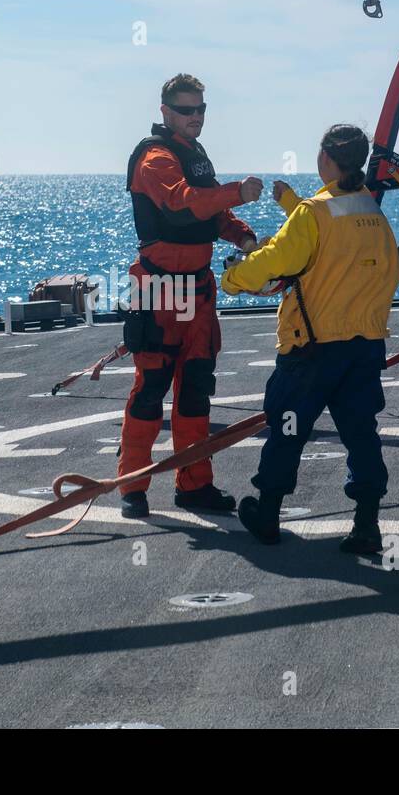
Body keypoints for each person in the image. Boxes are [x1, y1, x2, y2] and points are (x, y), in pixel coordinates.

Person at [222, 125, 399, 553]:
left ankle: (267, 513)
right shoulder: (371, 213)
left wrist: (233, 279)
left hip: (312, 349)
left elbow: (279, 257)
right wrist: (290, 204)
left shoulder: (314, 214)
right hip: (362, 348)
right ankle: (366, 525)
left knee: (287, 428)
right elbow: (350, 246)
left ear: (325, 159)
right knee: (361, 434)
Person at [118, 74, 262, 519]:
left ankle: (195, 485)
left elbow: (212, 213)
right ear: (165, 112)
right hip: (161, 287)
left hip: (196, 287)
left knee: (197, 388)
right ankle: (131, 487)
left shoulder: (194, 154)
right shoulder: (154, 158)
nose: (195, 117)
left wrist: (243, 236)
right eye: (186, 110)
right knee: (152, 388)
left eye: (200, 109)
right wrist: (237, 192)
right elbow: (182, 203)